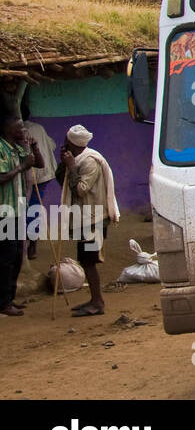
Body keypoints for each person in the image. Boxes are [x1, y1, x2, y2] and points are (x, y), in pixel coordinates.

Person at [55, 125, 120, 317]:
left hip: (94, 221)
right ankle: (94, 299)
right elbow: (62, 182)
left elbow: (80, 189)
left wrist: (72, 167)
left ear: (73, 144)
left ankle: (98, 302)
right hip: (82, 218)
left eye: (67, 143)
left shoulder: (90, 161)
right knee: (85, 260)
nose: (64, 145)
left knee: (89, 262)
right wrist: (64, 164)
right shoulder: (75, 159)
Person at [0, 114, 42, 317]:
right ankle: (3, 302)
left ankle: (9, 298)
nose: (24, 131)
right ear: (9, 129)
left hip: (17, 211)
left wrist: (33, 148)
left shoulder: (17, 148)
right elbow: (2, 177)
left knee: (17, 255)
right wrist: (22, 166)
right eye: (20, 128)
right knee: (6, 258)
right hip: (4, 212)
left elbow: (40, 165)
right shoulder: (0, 149)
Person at [20, 99, 57, 261]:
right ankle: (32, 242)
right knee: (33, 206)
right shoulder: (38, 127)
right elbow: (53, 144)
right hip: (45, 173)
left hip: (33, 174)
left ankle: (31, 242)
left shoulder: (20, 131)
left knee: (30, 207)